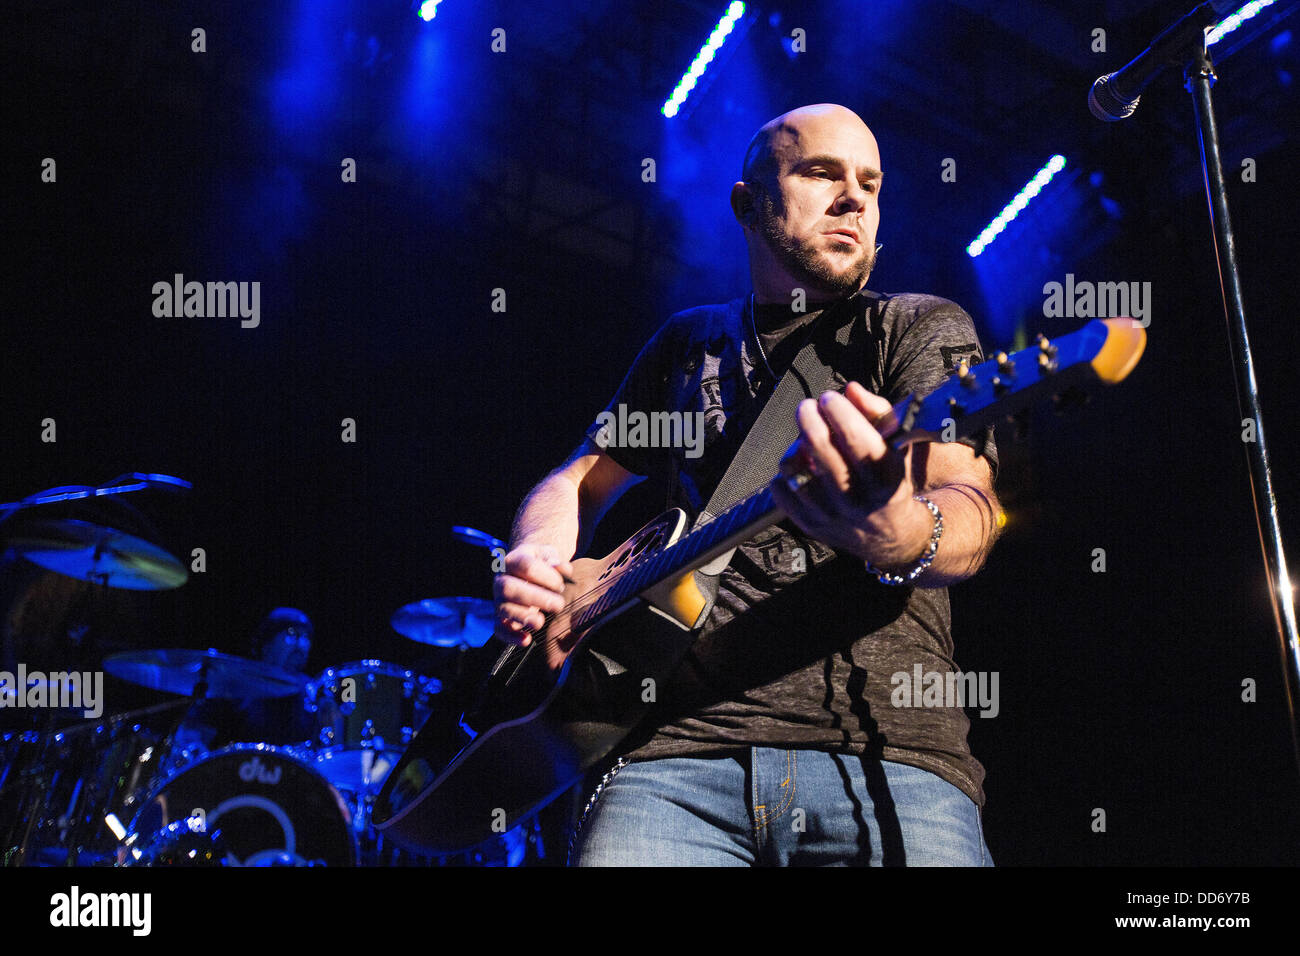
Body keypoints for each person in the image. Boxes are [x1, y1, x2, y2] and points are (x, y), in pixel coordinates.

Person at [494, 104, 1001, 866]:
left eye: (870, 182)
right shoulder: (686, 343)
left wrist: (893, 531)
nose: (854, 198)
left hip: (888, 758)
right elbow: (577, 480)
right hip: (666, 761)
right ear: (748, 204)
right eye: (821, 173)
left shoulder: (915, 327)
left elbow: (969, 509)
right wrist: (537, 555)